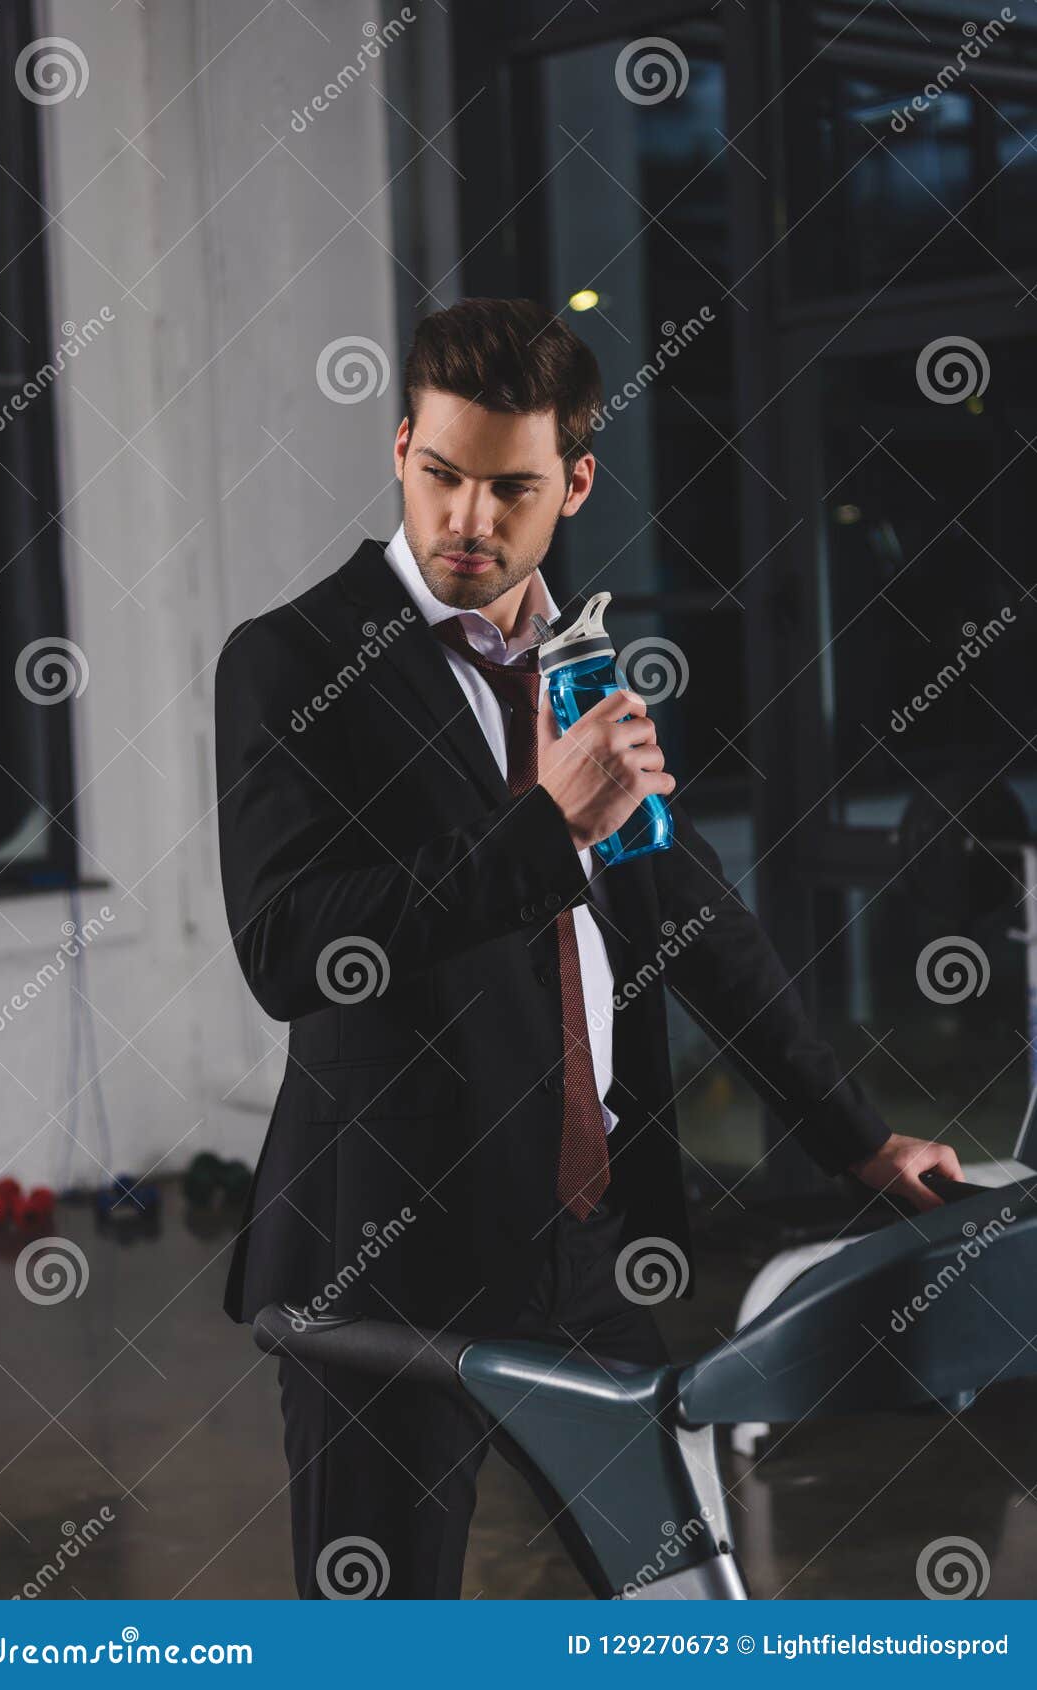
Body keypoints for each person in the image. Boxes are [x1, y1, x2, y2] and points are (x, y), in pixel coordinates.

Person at [213, 296, 961, 1599]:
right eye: (440, 474)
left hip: (574, 1244)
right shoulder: (292, 664)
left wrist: (859, 1136)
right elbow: (290, 946)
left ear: (577, 481)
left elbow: (689, 920)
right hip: (382, 1269)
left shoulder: (581, 669)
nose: (467, 521)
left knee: (682, 1603)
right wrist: (545, 827)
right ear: (399, 449)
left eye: (510, 488)